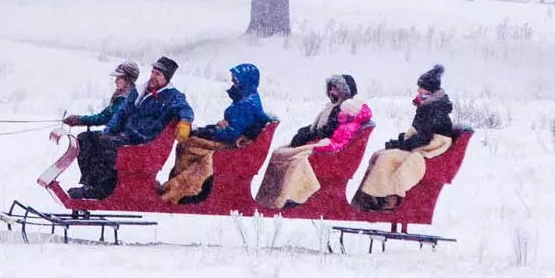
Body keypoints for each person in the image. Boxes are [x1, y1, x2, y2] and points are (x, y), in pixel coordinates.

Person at [70, 55, 192, 200]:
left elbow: (185, 109)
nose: (153, 76)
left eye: (158, 74)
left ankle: (104, 189)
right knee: (86, 138)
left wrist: (185, 122)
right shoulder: (140, 90)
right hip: (127, 135)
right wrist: (108, 131)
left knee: (106, 144)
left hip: (145, 140)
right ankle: (91, 184)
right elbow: (121, 113)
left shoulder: (172, 96)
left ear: (167, 78)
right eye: (153, 72)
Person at [255, 73, 371, 211]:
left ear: (345, 92)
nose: (332, 92)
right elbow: (320, 129)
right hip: (323, 145)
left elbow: (333, 135)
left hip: (332, 155)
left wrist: (311, 138)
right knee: (279, 153)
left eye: (336, 89)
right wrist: (305, 134)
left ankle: (295, 196)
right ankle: (269, 198)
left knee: (296, 158)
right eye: (331, 88)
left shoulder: (347, 112)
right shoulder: (333, 108)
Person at [158, 63, 270, 204]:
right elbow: (233, 126)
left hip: (231, 144)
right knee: (189, 142)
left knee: (187, 145)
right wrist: (215, 128)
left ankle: (186, 190)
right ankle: (179, 185)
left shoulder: (247, 104)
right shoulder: (245, 98)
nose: (233, 83)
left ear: (245, 81)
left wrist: (209, 131)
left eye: (236, 80)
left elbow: (231, 133)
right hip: (230, 138)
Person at [353, 64, 457, 211]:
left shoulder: (435, 109)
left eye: (422, 87)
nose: (418, 90)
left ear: (431, 90)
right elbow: (420, 133)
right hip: (425, 141)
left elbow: (424, 138)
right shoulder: (428, 105)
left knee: (389, 158)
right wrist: (400, 142)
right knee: (380, 155)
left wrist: (400, 145)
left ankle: (390, 198)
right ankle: (373, 196)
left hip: (433, 145)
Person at [63, 62, 139, 128]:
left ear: (128, 80)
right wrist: (80, 119)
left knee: (85, 139)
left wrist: (80, 120)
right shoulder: (121, 96)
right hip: (116, 135)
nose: (115, 81)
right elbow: (104, 115)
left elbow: (106, 118)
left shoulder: (126, 99)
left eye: (119, 78)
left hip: (121, 138)